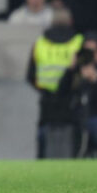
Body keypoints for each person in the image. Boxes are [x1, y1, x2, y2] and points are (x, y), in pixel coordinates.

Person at [27, 9, 82, 158]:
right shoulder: (78, 42)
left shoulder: (40, 43)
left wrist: (44, 87)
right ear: (70, 22)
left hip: (47, 97)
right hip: (72, 98)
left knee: (45, 139)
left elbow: (30, 75)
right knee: (72, 140)